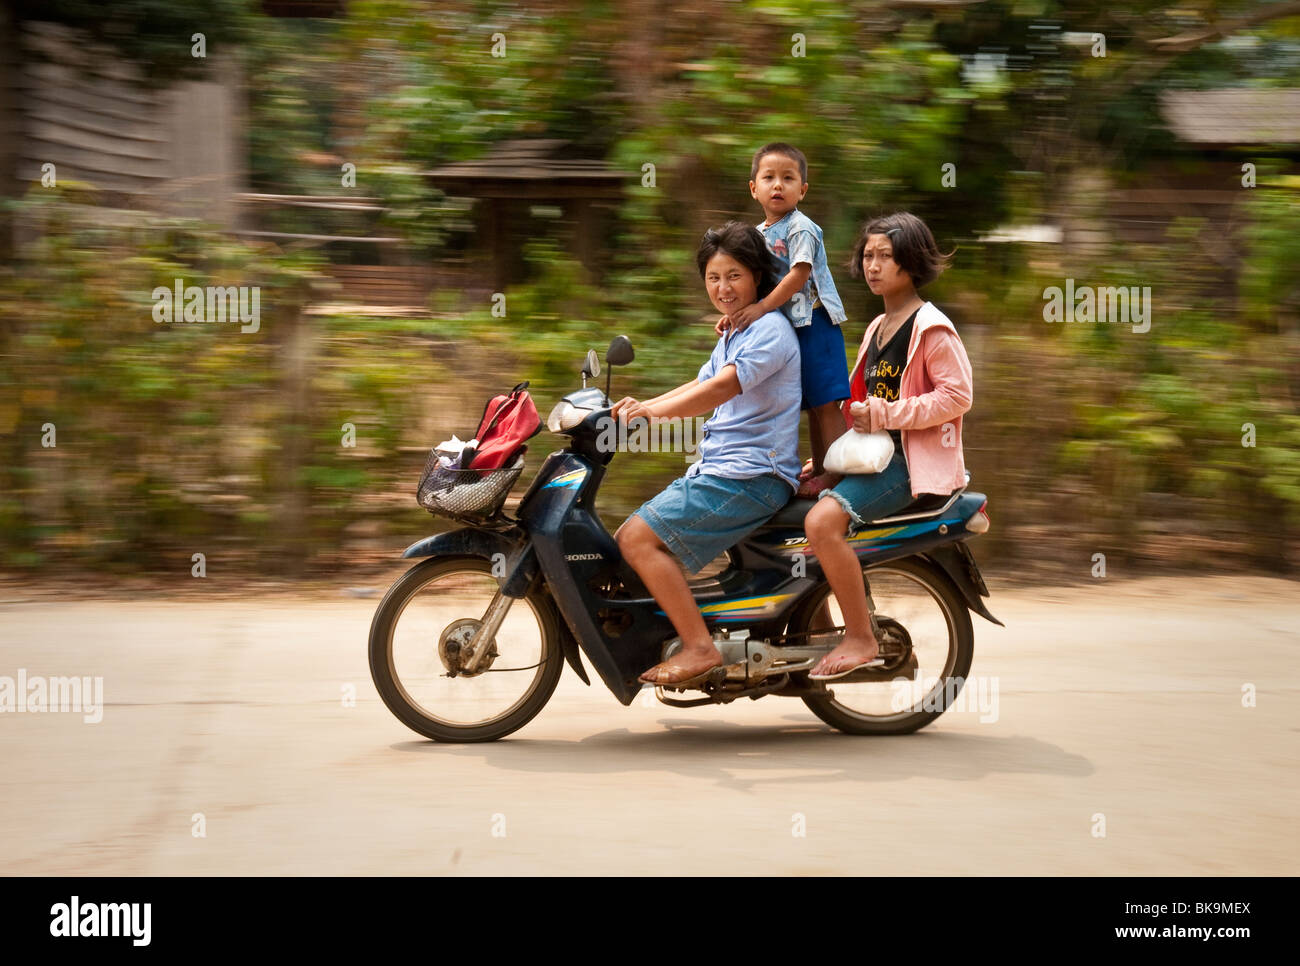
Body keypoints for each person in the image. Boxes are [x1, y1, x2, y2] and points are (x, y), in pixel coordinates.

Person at [613, 222, 802, 688]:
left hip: (752, 475)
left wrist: (651, 418)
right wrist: (637, 408)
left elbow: (721, 388)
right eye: (714, 277)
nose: (723, 288)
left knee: (637, 539)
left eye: (734, 275)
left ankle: (699, 647)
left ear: (757, 275)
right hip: (725, 470)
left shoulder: (769, 331)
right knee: (634, 536)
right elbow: (700, 383)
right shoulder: (734, 333)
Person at [804, 212, 974, 680]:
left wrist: (887, 413)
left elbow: (957, 397)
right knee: (791, 521)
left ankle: (861, 636)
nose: (873, 265)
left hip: (907, 464)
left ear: (911, 262)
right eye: (868, 255)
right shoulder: (878, 325)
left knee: (821, 524)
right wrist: (825, 461)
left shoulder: (930, 327)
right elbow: (859, 405)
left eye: (886, 256)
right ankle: (810, 633)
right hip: (873, 457)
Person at [716, 142, 851, 498]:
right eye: (769, 177)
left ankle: (837, 474)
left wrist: (760, 309)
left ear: (802, 190)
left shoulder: (801, 227)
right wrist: (732, 316)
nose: (778, 185)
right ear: (753, 188)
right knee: (807, 403)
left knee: (826, 403)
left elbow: (798, 275)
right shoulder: (757, 236)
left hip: (817, 325)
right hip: (789, 331)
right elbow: (756, 284)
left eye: (788, 178)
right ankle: (820, 469)